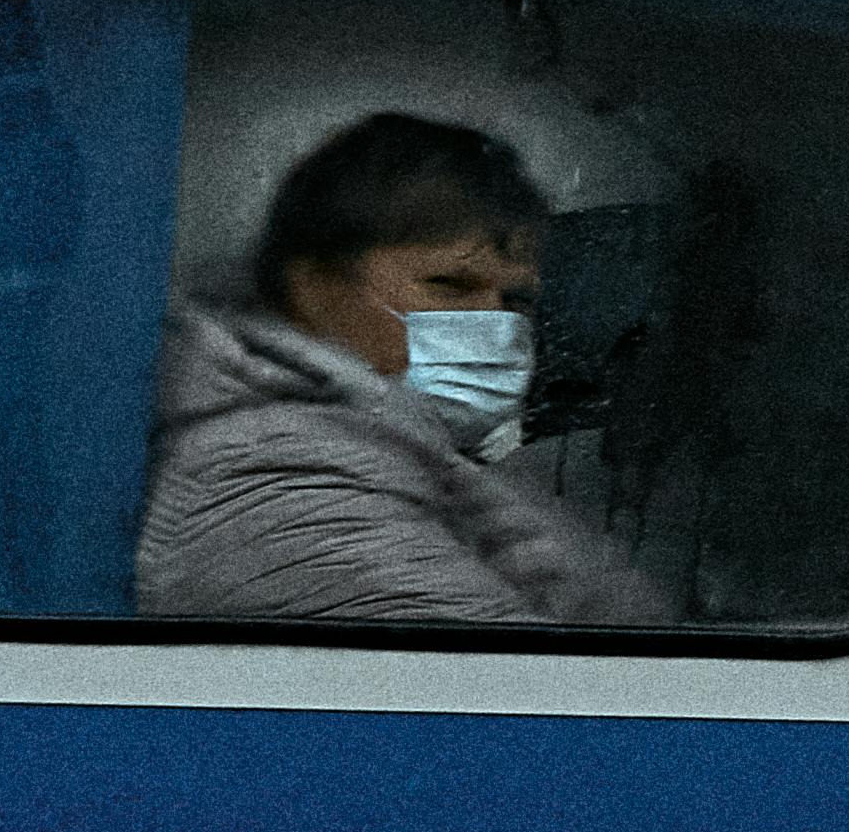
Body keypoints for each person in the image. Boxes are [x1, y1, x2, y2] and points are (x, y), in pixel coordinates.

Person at [137, 112, 668, 626]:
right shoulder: (276, 477)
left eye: (516, 299)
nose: (495, 322)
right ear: (316, 289)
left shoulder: (409, 449)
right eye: (450, 285)